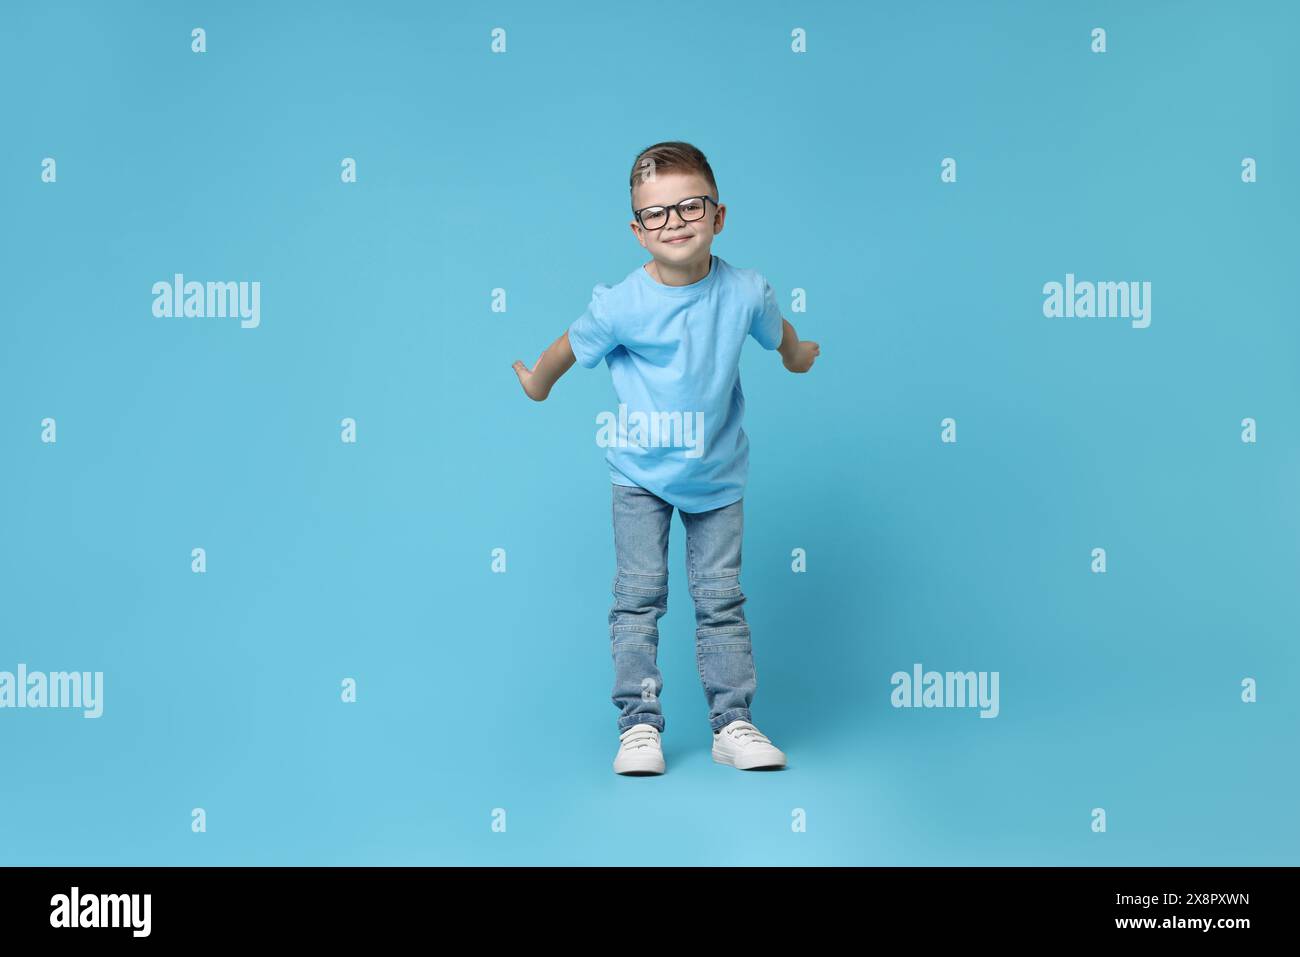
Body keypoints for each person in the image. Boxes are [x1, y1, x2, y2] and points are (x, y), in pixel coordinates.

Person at [511, 141, 819, 775]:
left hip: (718, 475)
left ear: (719, 215)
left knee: (721, 600)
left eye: (689, 206)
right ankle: (639, 726)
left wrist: (797, 354)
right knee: (638, 598)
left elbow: (778, 333)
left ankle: (733, 723)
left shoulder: (744, 292)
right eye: (656, 213)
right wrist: (537, 381)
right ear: (637, 229)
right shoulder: (622, 303)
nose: (674, 221)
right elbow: (570, 346)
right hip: (641, 477)